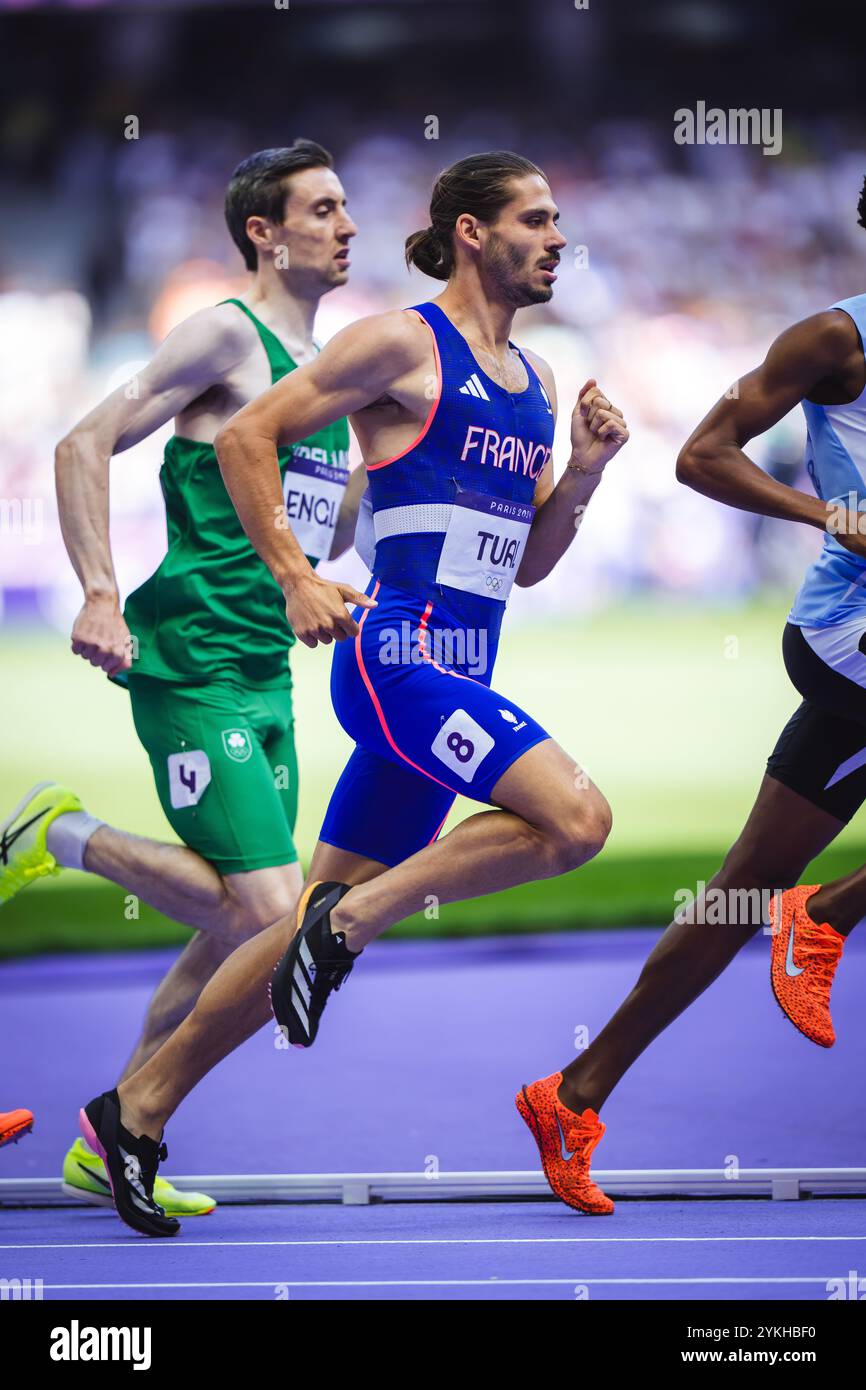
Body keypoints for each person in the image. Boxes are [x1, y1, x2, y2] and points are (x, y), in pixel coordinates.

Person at [78, 149, 630, 1237]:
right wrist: (292, 574)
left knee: (285, 928)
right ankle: (351, 927)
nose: (557, 238)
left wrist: (585, 471)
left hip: (462, 668)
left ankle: (132, 1111)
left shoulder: (535, 382)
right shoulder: (397, 342)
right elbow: (247, 433)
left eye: (560, 220)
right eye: (535, 218)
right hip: (397, 663)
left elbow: (527, 563)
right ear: (470, 231)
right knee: (576, 820)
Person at [0, 140, 367, 1217]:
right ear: (264, 230)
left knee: (226, 929)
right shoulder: (224, 332)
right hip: (195, 657)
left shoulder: (330, 366)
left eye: (347, 208)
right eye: (324, 208)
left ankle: (113, 1128)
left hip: (270, 668)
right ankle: (59, 835)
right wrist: (99, 591)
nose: (347, 225)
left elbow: (312, 522)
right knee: (274, 916)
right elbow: (81, 441)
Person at [520, 180, 866, 1208]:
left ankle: (572, 1092)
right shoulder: (833, 341)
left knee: (738, 892)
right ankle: (829, 916)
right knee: (768, 897)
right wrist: (826, 513)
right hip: (846, 635)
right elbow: (699, 456)